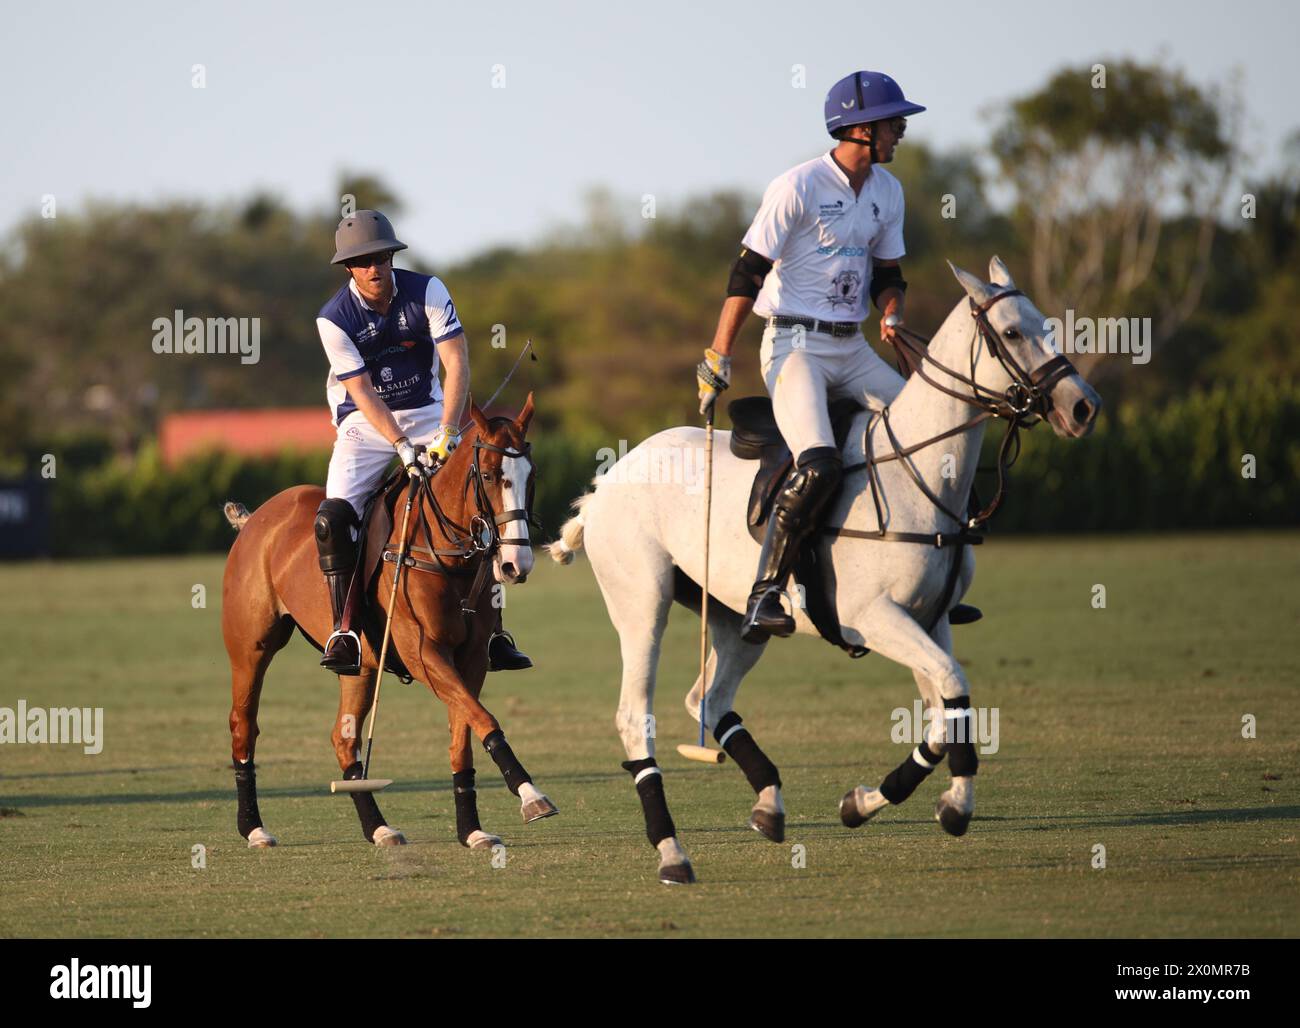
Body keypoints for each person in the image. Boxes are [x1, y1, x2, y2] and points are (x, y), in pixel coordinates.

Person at [696, 71, 927, 643]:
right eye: (894, 122)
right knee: (819, 461)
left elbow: (888, 274)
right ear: (861, 128)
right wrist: (718, 355)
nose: (901, 131)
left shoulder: (887, 192)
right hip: (794, 347)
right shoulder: (797, 186)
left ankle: (933, 578)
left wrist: (892, 314)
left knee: (927, 433)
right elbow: (747, 272)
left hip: (852, 347)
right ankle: (766, 590)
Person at [312, 209, 531, 674]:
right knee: (333, 518)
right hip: (365, 425)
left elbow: (457, 362)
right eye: (363, 261)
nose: (375, 268)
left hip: (432, 413)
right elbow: (363, 392)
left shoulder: (428, 290)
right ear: (348, 268)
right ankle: (344, 629)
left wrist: (450, 431)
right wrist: (400, 445)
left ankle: (493, 632)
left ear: (393, 258)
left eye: (382, 257)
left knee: (483, 491)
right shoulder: (333, 319)